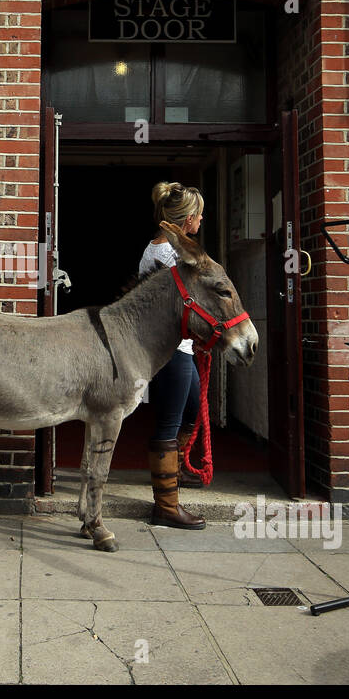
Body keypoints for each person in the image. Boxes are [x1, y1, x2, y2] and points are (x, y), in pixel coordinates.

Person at [139, 181, 207, 530]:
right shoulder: (167, 255)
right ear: (186, 220)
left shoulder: (167, 251)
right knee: (169, 420)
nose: (200, 222)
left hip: (182, 347)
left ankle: (174, 469)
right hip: (170, 350)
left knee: (192, 407)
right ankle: (166, 505)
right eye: (198, 216)